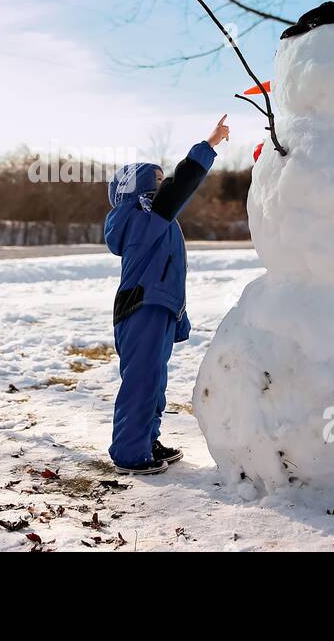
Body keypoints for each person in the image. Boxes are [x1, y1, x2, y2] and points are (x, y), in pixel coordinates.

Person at [104, 115, 229, 474]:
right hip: (140, 307)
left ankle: (147, 442)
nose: (163, 185)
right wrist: (208, 145)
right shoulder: (141, 216)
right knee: (142, 382)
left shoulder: (156, 218)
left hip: (155, 307)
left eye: (162, 180)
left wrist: (178, 314)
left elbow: (168, 270)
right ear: (136, 190)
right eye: (155, 181)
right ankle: (129, 452)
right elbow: (181, 183)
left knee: (155, 382)